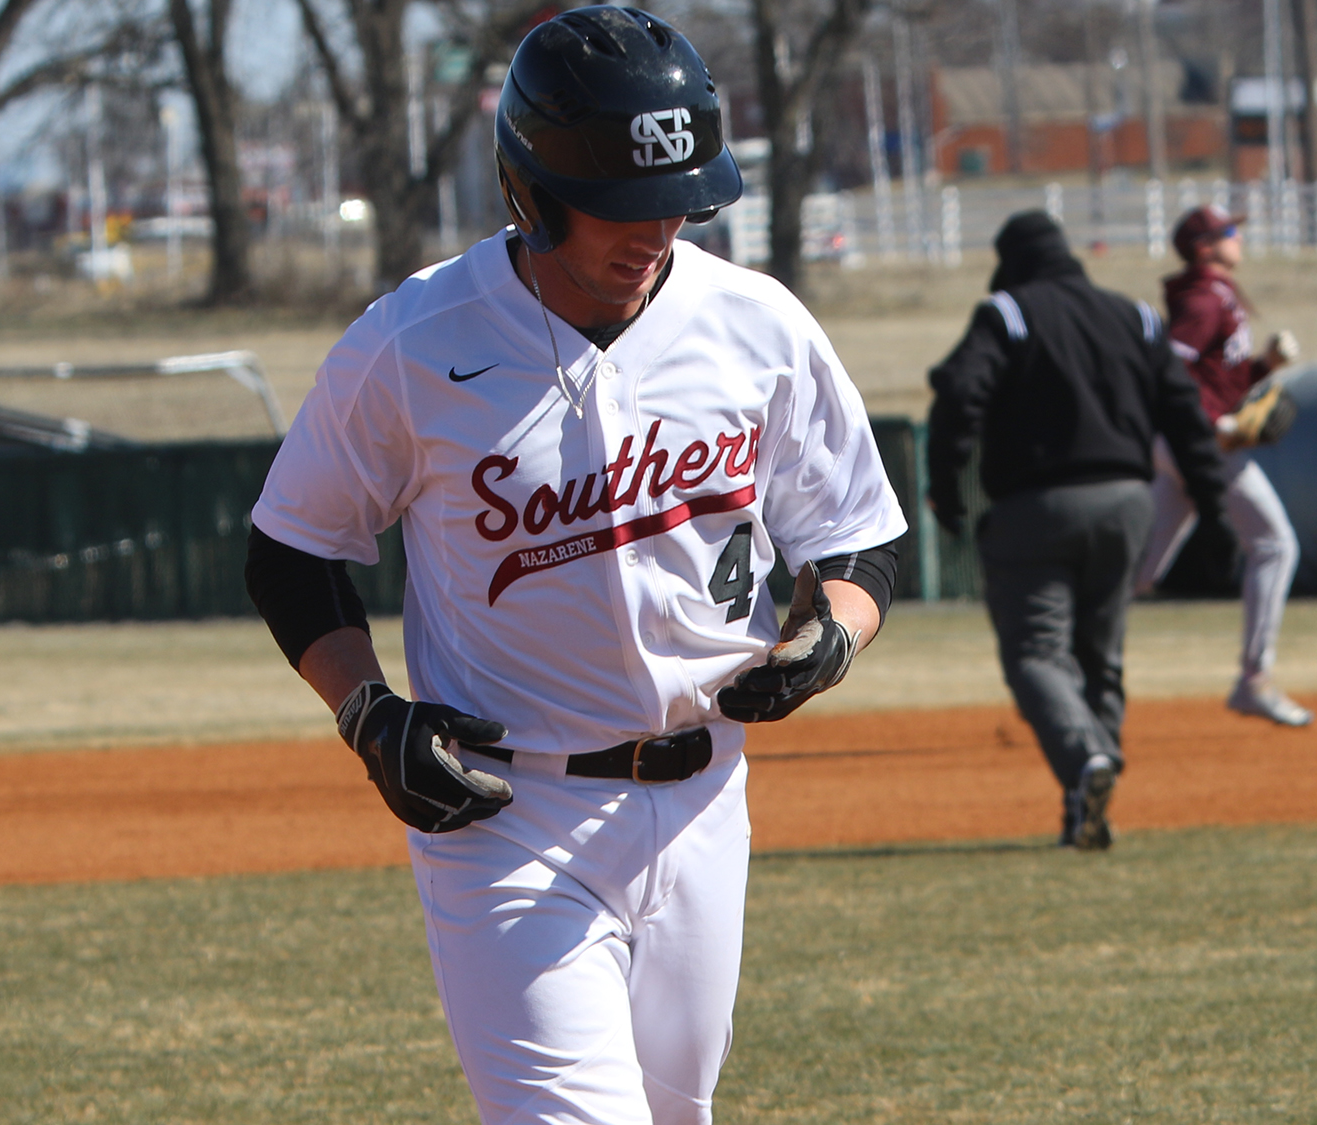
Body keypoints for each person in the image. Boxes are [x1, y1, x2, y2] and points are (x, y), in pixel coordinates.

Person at [242, 8, 907, 1123]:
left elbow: (858, 532)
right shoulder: (413, 342)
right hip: (507, 814)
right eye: (619, 204)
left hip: (704, 799)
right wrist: (366, 713)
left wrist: (833, 634)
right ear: (528, 191)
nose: (653, 231)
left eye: (675, 200)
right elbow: (290, 547)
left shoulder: (756, 324)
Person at [926, 210, 1229, 851]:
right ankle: (1088, 803)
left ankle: (1085, 760)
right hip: (1126, 503)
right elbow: (1185, 413)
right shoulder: (1136, 317)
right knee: (1101, 658)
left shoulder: (1007, 314)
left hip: (1036, 509)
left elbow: (959, 393)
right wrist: (1214, 505)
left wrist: (948, 488)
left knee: (1037, 654)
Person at [1134, 205, 1312, 727]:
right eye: (1230, 232)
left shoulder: (1215, 296)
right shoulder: (1205, 300)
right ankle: (1254, 680)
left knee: (1141, 572)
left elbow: (1216, 380)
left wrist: (1264, 368)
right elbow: (1168, 372)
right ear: (1207, 247)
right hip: (1199, 444)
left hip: (1187, 442)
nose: (1239, 238)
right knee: (1275, 545)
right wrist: (1213, 426)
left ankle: (1060, 649)